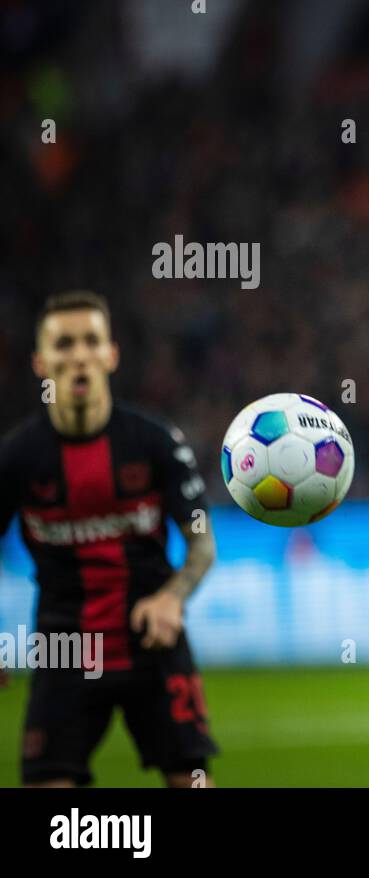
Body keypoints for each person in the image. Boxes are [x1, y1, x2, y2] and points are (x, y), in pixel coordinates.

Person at [0, 290, 218, 788]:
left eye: (91, 341)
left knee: (195, 781)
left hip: (154, 645)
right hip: (64, 649)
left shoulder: (158, 443)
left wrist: (172, 597)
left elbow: (202, 541)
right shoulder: (17, 458)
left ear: (110, 354)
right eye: (64, 343)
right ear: (41, 362)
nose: (79, 354)